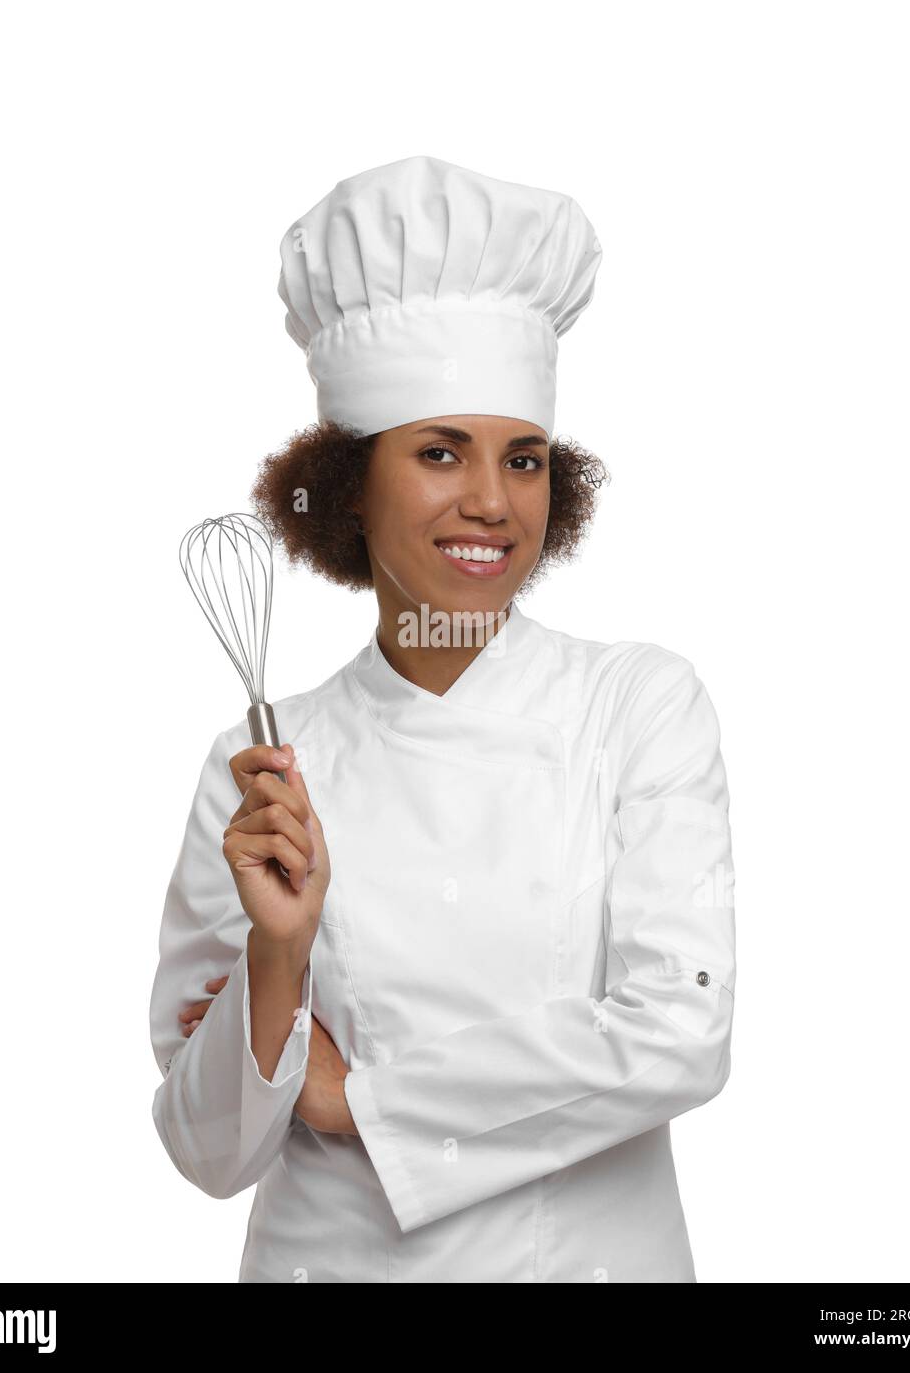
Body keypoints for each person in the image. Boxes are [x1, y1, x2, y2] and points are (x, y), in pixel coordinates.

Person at [148, 155, 736, 1283]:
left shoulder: (637, 707)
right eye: (437, 452)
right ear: (348, 485)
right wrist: (278, 954)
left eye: (521, 459)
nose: (489, 501)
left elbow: (681, 1033)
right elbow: (206, 1150)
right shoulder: (260, 765)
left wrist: (353, 1096)